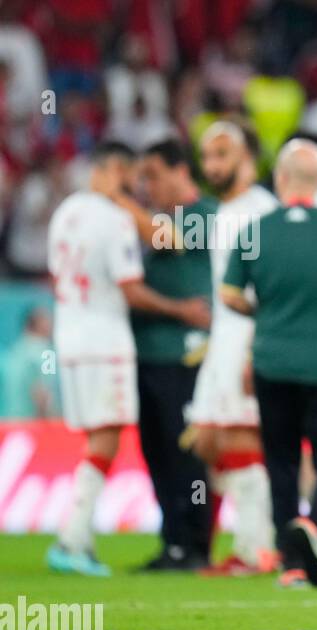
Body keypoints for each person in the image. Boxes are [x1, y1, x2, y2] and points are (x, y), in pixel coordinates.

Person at [45, 140, 209, 576]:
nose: (139, 188)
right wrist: (183, 309)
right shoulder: (116, 219)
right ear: (117, 170)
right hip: (107, 343)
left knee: (102, 437)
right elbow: (154, 259)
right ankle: (73, 539)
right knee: (107, 438)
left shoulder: (65, 212)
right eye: (134, 177)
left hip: (70, 338)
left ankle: (81, 538)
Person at [220, 139, 317, 589]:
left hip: (270, 361)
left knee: (281, 460)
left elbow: (229, 295)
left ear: (281, 179)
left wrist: (265, 313)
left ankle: (291, 563)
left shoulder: (255, 231)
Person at [189, 121, 281, 576]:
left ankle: (256, 548)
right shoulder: (223, 211)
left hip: (247, 336)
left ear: (249, 157)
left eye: (222, 154)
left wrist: (253, 350)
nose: (212, 164)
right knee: (208, 438)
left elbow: (267, 288)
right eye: (206, 155)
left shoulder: (260, 210)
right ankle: (250, 539)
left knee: (240, 437)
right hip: (221, 338)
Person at [128, 138, 218, 571]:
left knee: (186, 451)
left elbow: (166, 238)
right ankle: (173, 540)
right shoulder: (155, 221)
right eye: (142, 178)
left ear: (182, 171)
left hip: (186, 354)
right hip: (148, 351)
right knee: (156, 450)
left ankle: (196, 541)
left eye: (153, 176)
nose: (147, 186)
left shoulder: (206, 215)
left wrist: (112, 198)